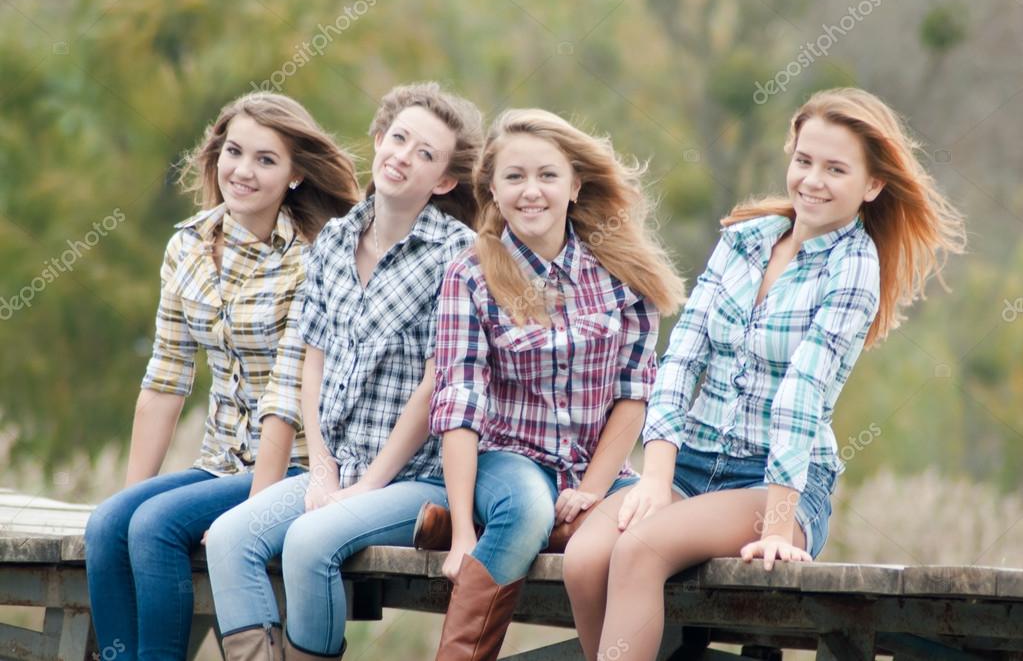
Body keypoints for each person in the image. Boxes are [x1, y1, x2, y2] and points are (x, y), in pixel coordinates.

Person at [565, 87, 968, 661]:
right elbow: (681, 357)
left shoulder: (854, 270)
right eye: (804, 161)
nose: (812, 180)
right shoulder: (743, 240)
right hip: (689, 463)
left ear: (872, 185)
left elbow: (800, 395)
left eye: (836, 169)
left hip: (772, 482)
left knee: (640, 551)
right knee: (584, 559)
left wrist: (778, 526)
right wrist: (654, 478)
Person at [204, 82, 483, 660]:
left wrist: (367, 484)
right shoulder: (333, 239)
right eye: (398, 138)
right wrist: (326, 471)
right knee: (230, 537)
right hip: (337, 468)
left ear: (445, 181)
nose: (403, 156)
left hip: (415, 481)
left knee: (308, 542)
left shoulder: (458, 255)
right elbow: (314, 356)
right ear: (379, 140)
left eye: (425, 153)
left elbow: (438, 386)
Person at [84, 92, 360, 660]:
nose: (243, 170)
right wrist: (133, 489)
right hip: (220, 461)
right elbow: (165, 380)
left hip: (300, 464)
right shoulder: (187, 245)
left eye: (266, 159)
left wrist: (251, 513)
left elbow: (286, 396)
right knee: (111, 523)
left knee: (155, 527)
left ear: (296, 174)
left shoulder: (313, 258)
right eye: (234, 152)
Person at [430, 108, 685, 661]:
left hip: (600, 468)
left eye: (547, 175)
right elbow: (458, 403)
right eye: (514, 177)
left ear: (574, 184)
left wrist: (592, 489)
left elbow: (633, 393)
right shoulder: (470, 273)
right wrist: (460, 538)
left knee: (663, 522)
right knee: (526, 510)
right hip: (508, 460)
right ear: (492, 190)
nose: (531, 192)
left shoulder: (623, 273)